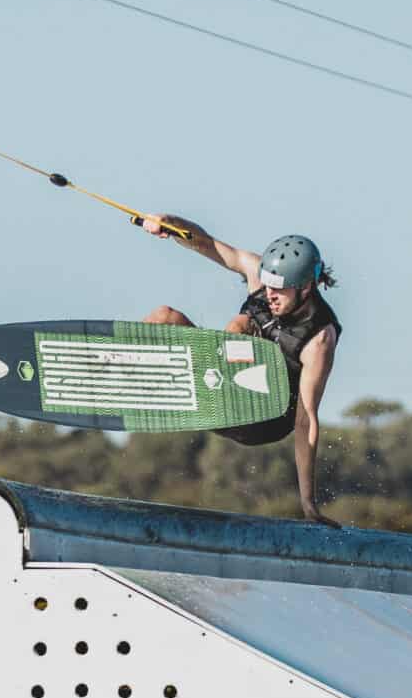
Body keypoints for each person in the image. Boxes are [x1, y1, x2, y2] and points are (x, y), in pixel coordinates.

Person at [139, 216, 341, 525]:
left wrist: (308, 503)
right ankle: (114, 365)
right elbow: (205, 243)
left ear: (306, 287)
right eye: (269, 286)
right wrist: (167, 222)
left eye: (280, 290)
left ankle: (193, 379)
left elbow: (305, 420)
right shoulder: (260, 275)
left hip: (263, 419)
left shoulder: (319, 339)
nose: (270, 294)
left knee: (240, 326)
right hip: (225, 382)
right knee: (165, 317)